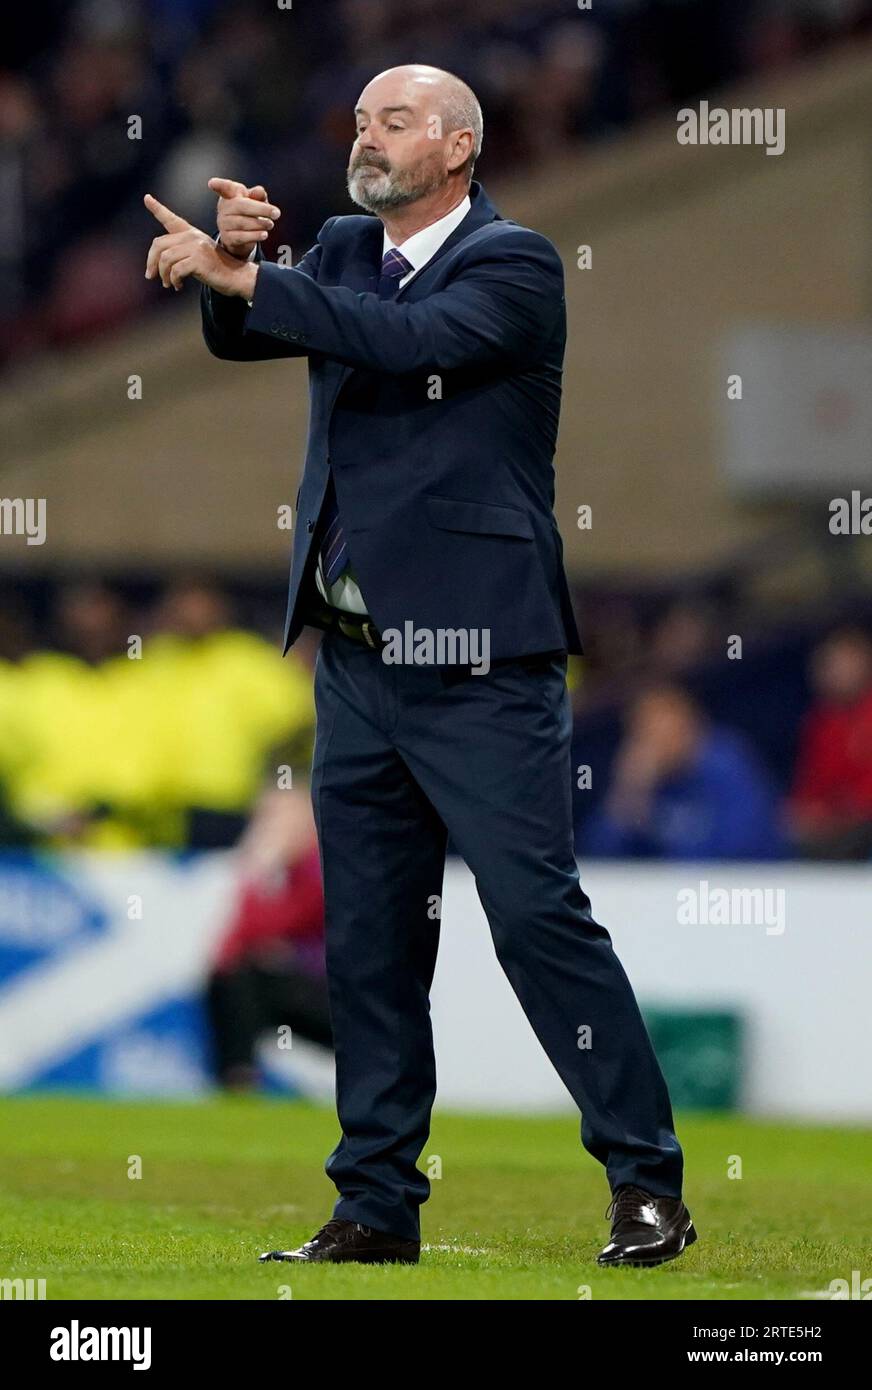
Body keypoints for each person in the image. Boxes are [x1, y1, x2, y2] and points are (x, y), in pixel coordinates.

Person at [144, 64, 694, 1270]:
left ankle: (644, 1180)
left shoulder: (516, 263)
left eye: (394, 121)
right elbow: (253, 334)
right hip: (354, 663)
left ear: (456, 148)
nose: (367, 137)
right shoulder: (343, 248)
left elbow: (409, 340)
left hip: (480, 659)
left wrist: (259, 280)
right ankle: (374, 1205)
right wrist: (234, 275)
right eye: (357, 121)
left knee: (535, 918)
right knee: (370, 943)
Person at [584, 683, 785, 860]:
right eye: (645, 734)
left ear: (689, 727)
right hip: (665, 887)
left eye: (664, 732)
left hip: (741, 886)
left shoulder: (726, 766)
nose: (655, 745)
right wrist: (628, 792)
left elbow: (739, 847)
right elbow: (601, 853)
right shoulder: (644, 777)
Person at [788, 627, 872, 859]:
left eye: (847, 662)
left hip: (859, 823)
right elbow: (811, 783)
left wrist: (838, 813)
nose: (839, 672)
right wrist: (807, 811)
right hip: (835, 826)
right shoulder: (820, 722)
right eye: (831, 664)